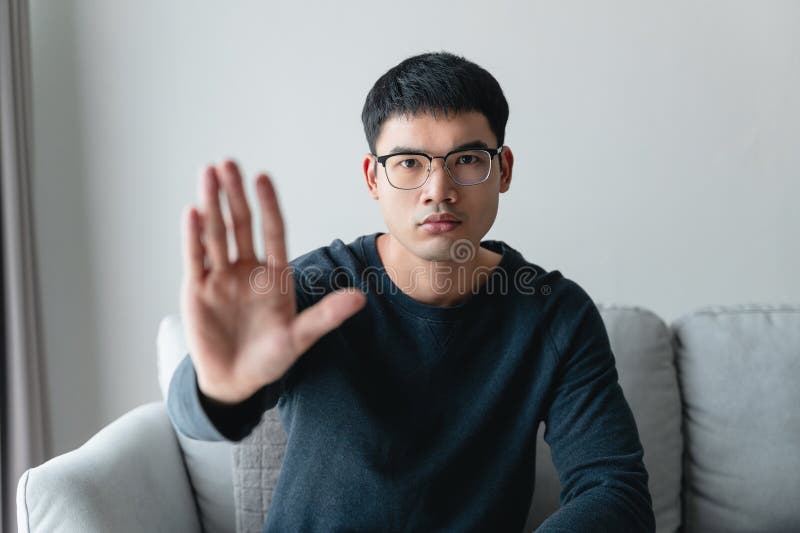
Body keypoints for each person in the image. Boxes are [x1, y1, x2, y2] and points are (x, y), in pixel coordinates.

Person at [167, 51, 655, 532]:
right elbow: (193, 417)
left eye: (466, 159)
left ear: (503, 169)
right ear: (373, 178)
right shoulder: (314, 290)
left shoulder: (553, 314)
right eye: (407, 163)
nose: (438, 189)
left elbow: (614, 491)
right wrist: (221, 390)